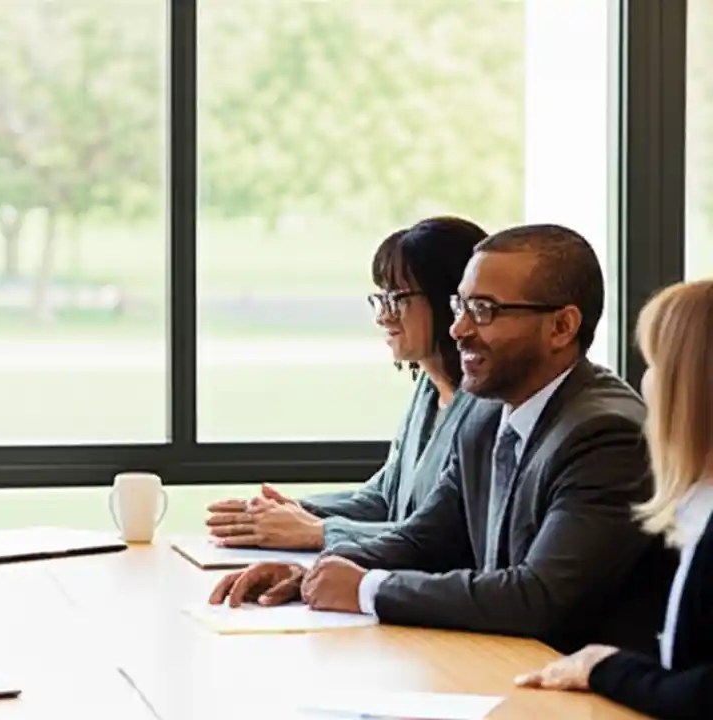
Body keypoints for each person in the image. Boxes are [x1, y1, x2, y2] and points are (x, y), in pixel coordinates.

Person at [210, 224, 674, 654]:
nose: (459, 330)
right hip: (504, 667)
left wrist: (368, 589)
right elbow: (425, 541)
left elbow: (538, 597)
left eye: (483, 311)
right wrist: (312, 576)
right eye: (460, 307)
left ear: (561, 327)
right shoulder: (486, 414)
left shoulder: (606, 435)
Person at [206, 217, 484, 550]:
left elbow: (434, 536)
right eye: (381, 299)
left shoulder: (488, 410)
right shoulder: (428, 391)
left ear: (448, 299)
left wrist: (315, 530)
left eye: (398, 298)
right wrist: (291, 513)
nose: (383, 316)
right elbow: (384, 496)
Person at [515, 280, 713, 718]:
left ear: (689, 385)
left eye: (654, 363)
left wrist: (606, 669)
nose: (645, 382)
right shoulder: (695, 506)